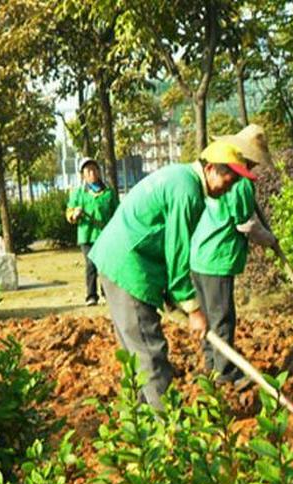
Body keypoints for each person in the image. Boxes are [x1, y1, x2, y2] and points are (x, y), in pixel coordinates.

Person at [89, 141, 257, 408]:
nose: (231, 185)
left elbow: (165, 243)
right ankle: (169, 432)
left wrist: (171, 296)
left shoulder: (181, 177)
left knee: (134, 353)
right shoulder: (188, 191)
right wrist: (192, 309)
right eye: (229, 176)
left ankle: (142, 422)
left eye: (236, 179)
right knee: (149, 353)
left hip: (117, 259)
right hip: (130, 265)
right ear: (211, 168)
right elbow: (178, 253)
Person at [189, 125, 279, 386]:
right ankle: (225, 372)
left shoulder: (220, 173)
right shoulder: (241, 183)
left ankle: (211, 365)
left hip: (199, 255)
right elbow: (246, 224)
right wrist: (270, 239)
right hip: (217, 258)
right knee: (222, 318)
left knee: (209, 317)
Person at [66, 157, 119, 306]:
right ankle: (91, 295)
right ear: (83, 174)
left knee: (105, 266)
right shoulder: (78, 194)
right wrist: (74, 214)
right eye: (88, 171)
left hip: (105, 236)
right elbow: (69, 212)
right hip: (87, 236)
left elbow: (117, 213)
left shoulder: (108, 193)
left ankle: (107, 293)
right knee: (91, 265)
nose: (92, 173)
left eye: (94, 169)